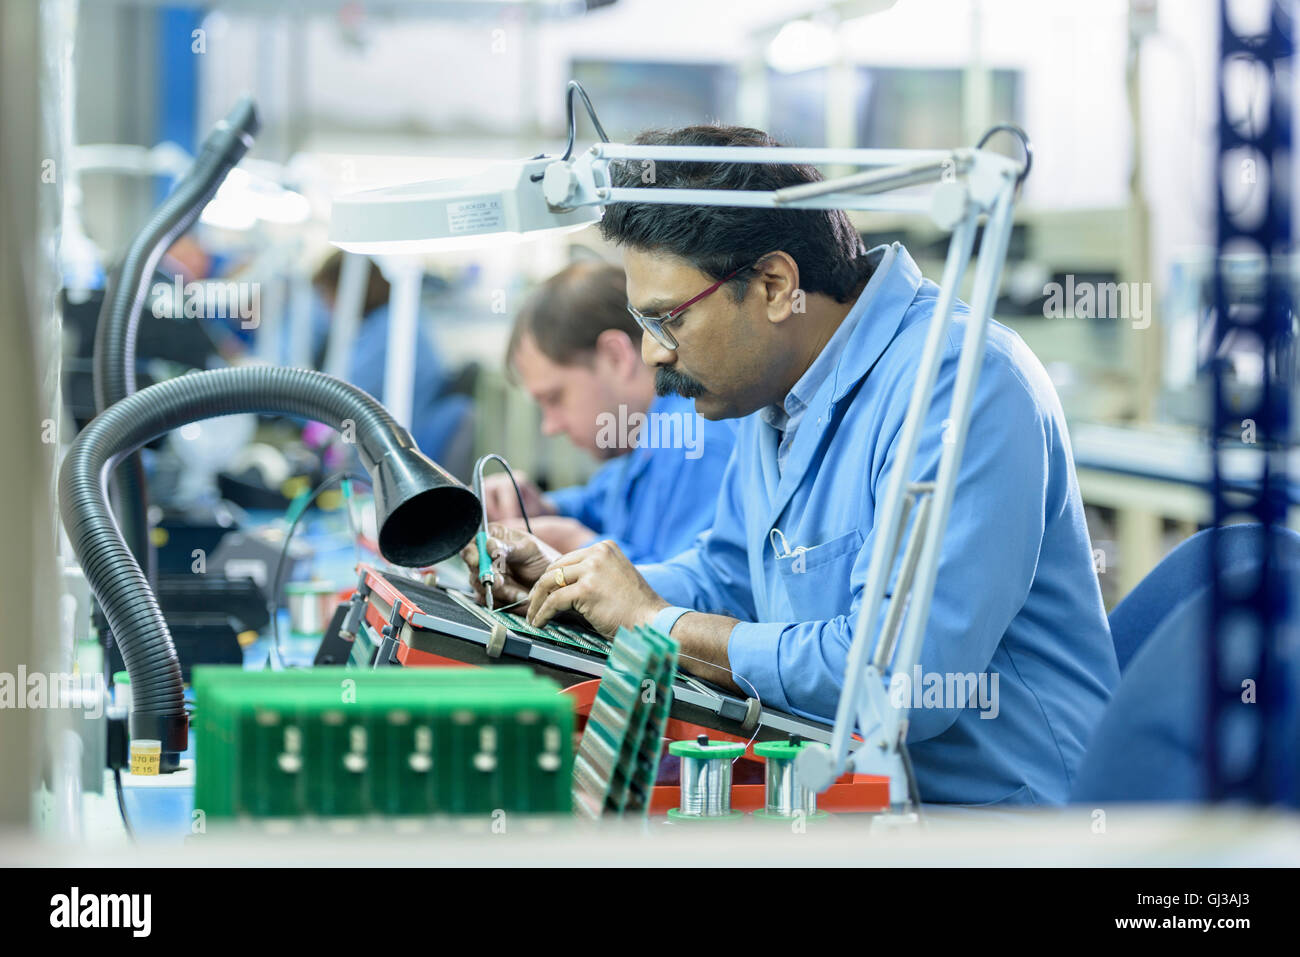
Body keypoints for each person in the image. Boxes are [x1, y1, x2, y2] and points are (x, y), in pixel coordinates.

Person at [463, 125, 1119, 807]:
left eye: (668, 322)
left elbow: (897, 683)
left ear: (775, 285)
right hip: (852, 800)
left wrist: (657, 624)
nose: (654, 354)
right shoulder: (774, 394)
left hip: (1003, 823)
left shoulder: (960, 385)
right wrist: (579, 590)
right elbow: (725, 577)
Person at [481, 261, 735, 562]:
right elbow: (599, 504)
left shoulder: (697, 441)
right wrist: (542, 509)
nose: (550, 427)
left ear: (615, 356)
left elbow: (697, 598)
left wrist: (577, 544)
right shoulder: (638, 438)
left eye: (555, 398)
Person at [311, 251, 471, 471]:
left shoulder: (391, 329)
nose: (325, 304)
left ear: (353, 288)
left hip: (396, 455)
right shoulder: (383, 323)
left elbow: (333, 397)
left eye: (327, 294)